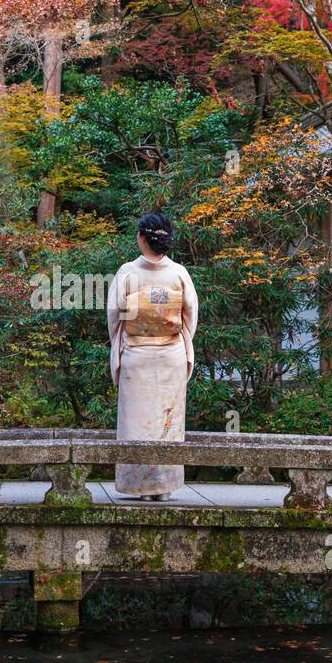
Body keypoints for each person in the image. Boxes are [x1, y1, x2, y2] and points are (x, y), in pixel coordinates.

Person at [105, 212, 199, 501]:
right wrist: (179, 340)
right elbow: (190, 315)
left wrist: (118, 344)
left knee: (136, 422)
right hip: (171, 353)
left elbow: (114, 315)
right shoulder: (179, 273)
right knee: (167, 423)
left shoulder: (127, 272)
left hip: (137, 351)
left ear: (142, 238)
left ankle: (141, 487)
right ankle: (165, 487)